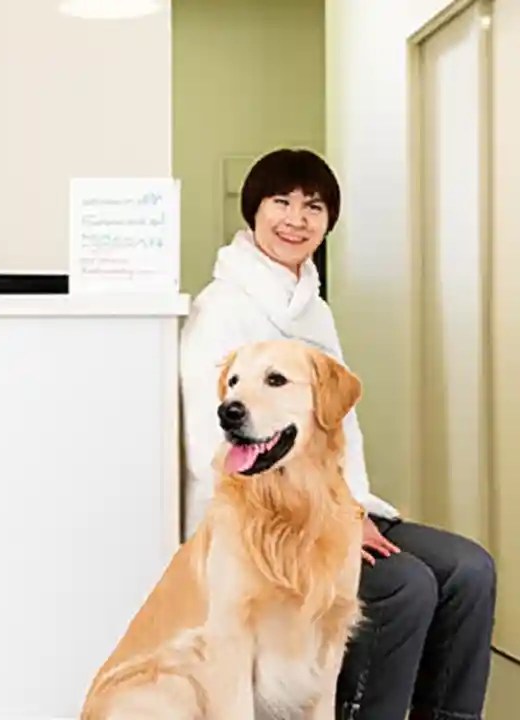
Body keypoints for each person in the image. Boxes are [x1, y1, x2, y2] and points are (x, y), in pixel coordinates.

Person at [179, 148, 497, 719]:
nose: (296, 219)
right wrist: (336, 522)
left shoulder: (312, 310)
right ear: (253, 210)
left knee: (468, 570)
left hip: (337, 505)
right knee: (405, 587)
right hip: (267, 524)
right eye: (282, 202)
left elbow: (336, 429)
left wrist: (351, 511)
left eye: (314, 206)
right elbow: (217, 445)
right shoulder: (220, 310)